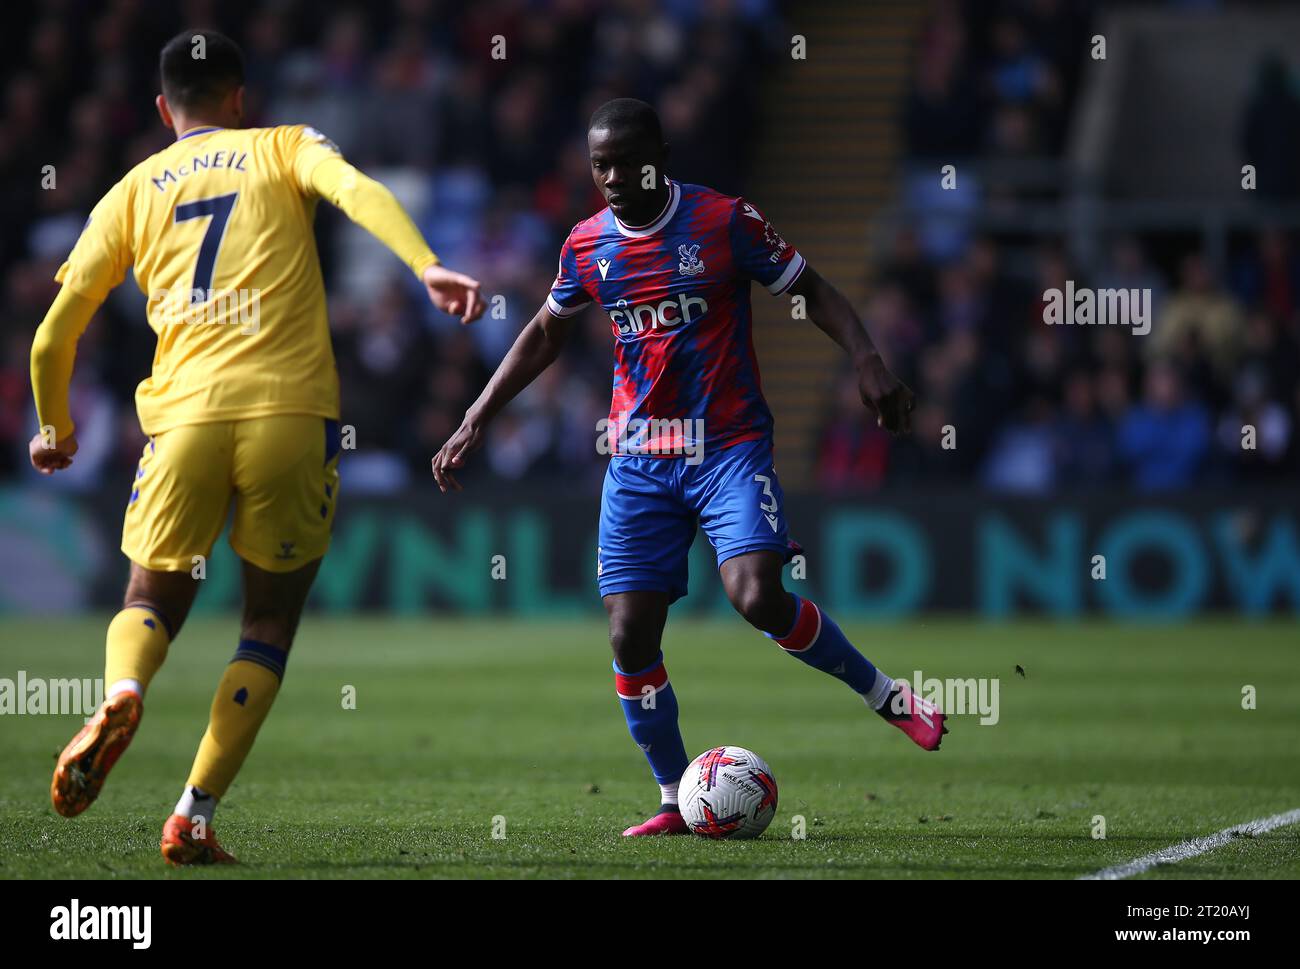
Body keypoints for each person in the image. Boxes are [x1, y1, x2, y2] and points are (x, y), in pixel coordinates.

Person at [432, 98, 946, 837]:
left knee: (757, 594)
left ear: (660, 157)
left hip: (728, 447)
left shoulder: (724, 222)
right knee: (628, 634)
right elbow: (545, 332)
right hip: (639, 460)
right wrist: (476, 417)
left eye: (622, 160)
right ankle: (675, 795)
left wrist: (866, 359)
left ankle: (888, 696)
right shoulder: (587, 246)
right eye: (597, 163)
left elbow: (812, 289)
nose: (608, 176)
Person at [29, 29, 483, 864]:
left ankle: (123, 691)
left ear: (165, 109)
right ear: (241, 98)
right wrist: (427, 266)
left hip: (184, 419)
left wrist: (56, 429)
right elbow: (356, 189)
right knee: (269, 618)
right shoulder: (285, 145)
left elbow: (51, 339)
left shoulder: (130, 190)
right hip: (290, 415)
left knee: (151, 598)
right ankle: (192, 814)